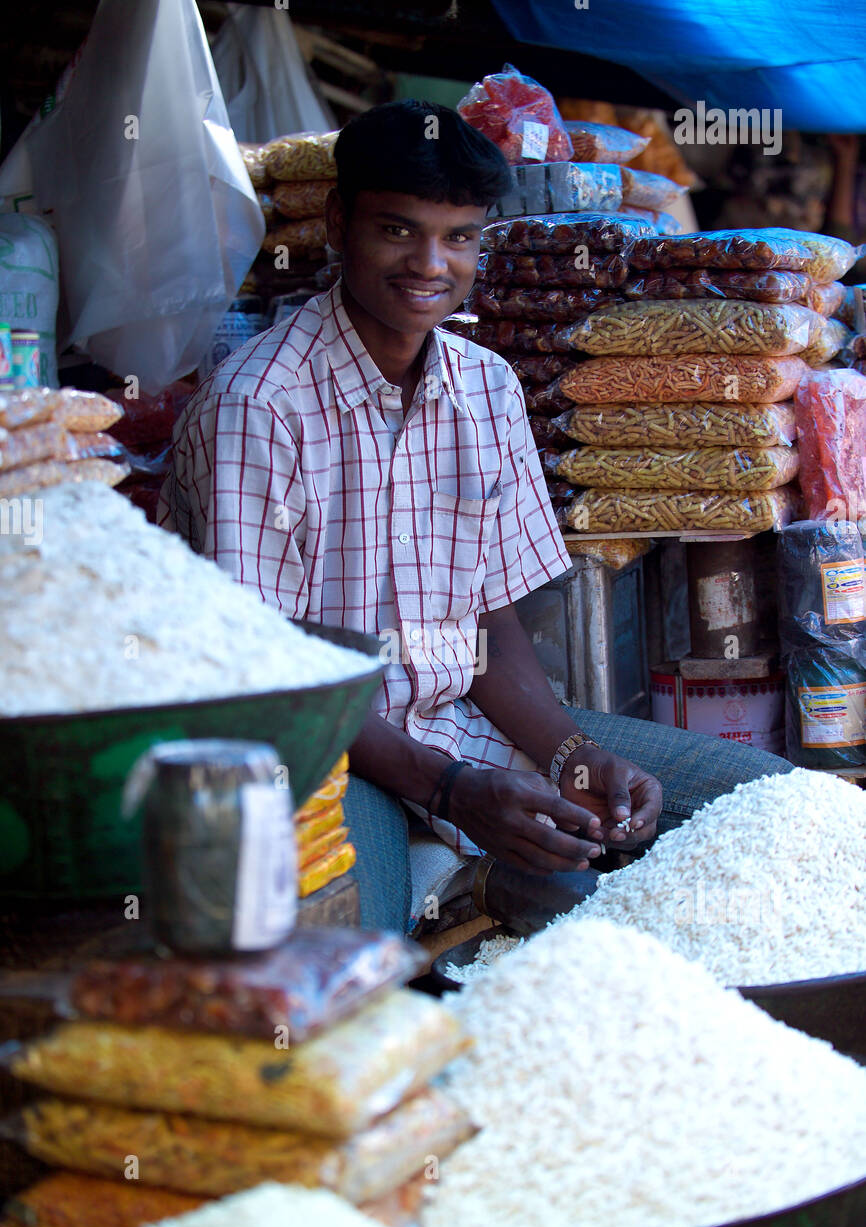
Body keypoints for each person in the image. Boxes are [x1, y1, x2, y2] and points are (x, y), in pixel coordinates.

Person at [159, 99, 791, 934]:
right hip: (321, 752)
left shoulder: (485, 386)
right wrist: (448, 791)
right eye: (398, 231)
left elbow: (488, 617)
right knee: (363, 958)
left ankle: (468, 865)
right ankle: (455, 877)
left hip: (459, 724)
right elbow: (276, 677)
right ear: (340, 223)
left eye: (458, 237)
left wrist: (572, 754)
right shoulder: (257, 406)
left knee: (768, 811)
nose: (431, 263)